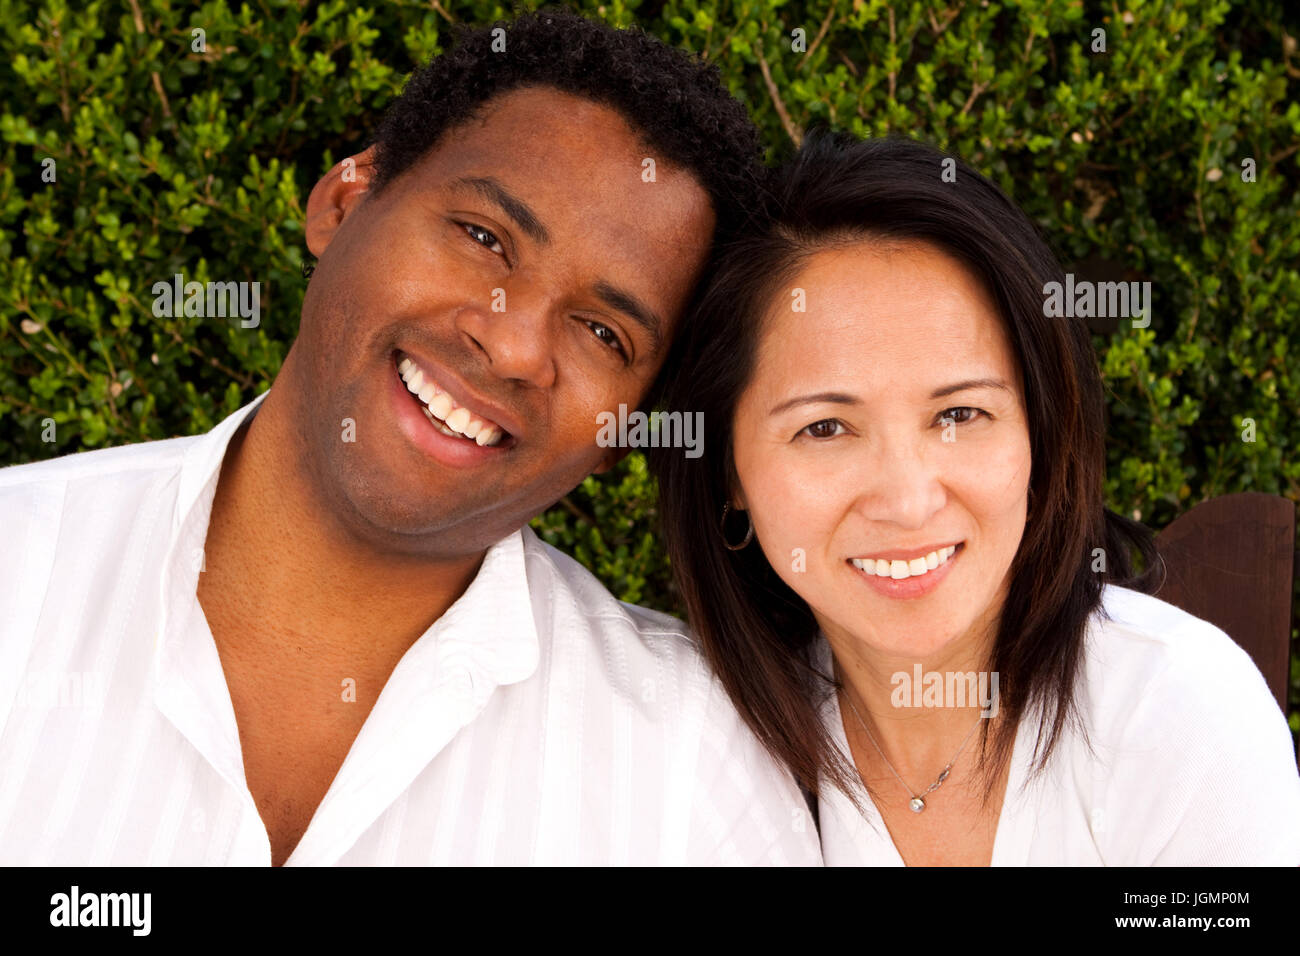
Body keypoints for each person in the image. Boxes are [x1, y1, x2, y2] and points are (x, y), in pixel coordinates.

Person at [0, 11, 820, 866]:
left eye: (604, 332)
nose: (512, 345)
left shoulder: (694, 776)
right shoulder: (16, 576)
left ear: (626, 431)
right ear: (344, 201)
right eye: (483, 238)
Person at [650, 130, 1300, 865]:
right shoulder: (704, 754)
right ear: (727, 471)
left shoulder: (1176, 717)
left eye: (959, 415)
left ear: (1038, 430)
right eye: (825, 427)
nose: (908, 499)